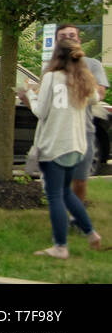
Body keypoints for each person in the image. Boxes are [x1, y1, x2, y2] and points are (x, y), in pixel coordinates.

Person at [28, 28, 102, 258]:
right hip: (76, 147)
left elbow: (41, 111)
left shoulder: (51, 77)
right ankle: (90, 233)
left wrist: (30, 95)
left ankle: (60, 246)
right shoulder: (83, 80)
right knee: (67, 193)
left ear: (57, 56)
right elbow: (96, 98)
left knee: (55, 196)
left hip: (54, 146)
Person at [64, 26, 108, 205]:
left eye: (72, 35)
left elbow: (100, 94)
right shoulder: (52, 69)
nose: (69, 38)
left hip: (84, 131)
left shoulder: (92, 65)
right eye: (64, 36)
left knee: (80, 180)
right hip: (58, 132)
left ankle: (76, 217)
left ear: (79, 40)